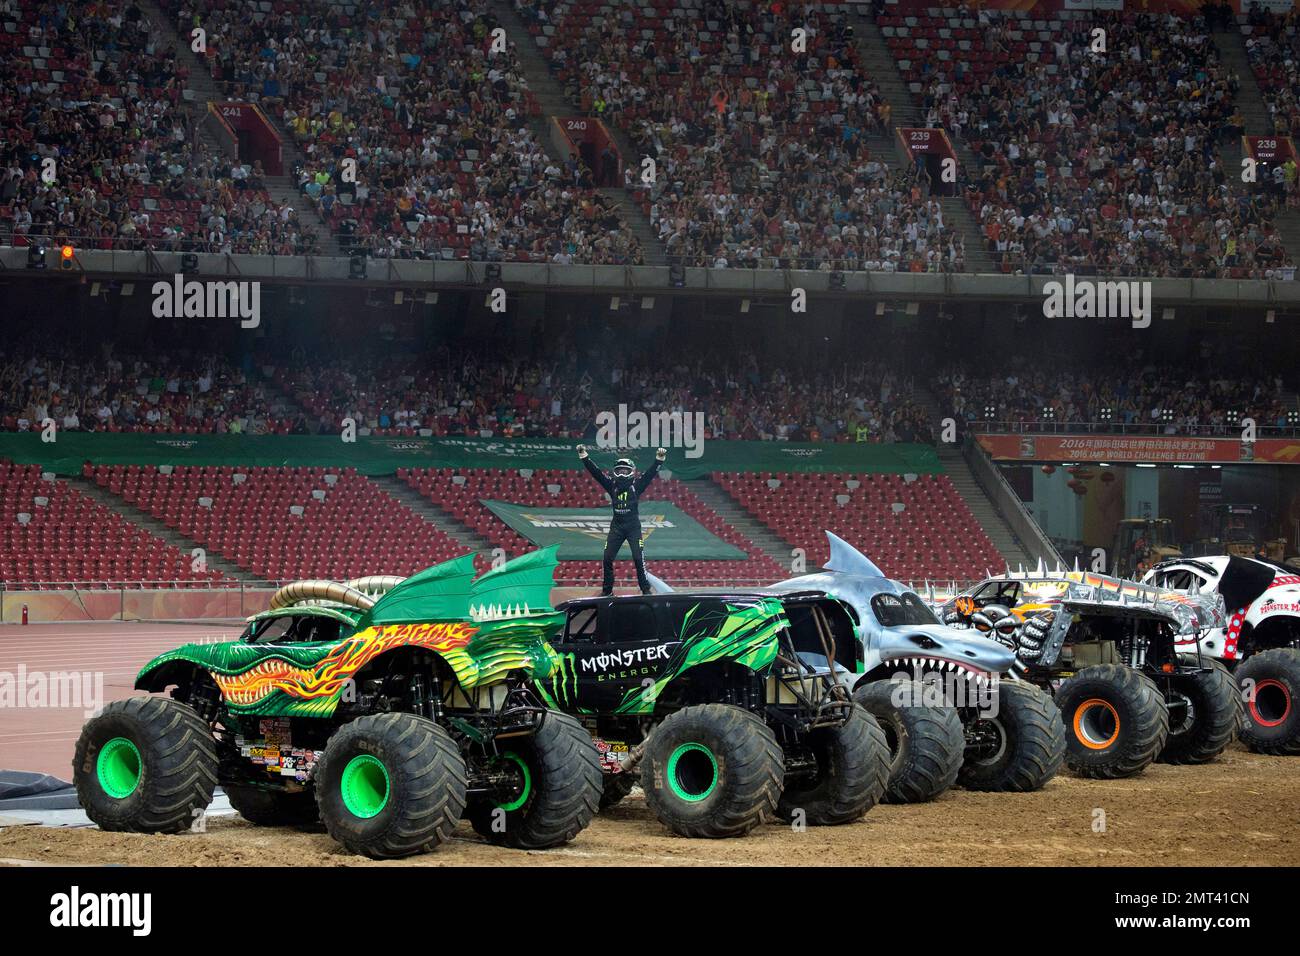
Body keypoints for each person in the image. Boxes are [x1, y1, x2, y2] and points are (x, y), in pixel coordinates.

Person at [578, 445, 666, 595]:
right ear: (615, 472)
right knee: (607, 559)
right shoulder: (611, 485)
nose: (622, 474)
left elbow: (650, 474)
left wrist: (659, 460)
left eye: (626, 471)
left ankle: (646, 591)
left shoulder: (636, 486)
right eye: (620, 471)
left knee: (638, 559)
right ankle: (607, 592)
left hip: (633, 528)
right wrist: (584, 456)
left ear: (632, 472)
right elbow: (596, 473)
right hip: (617, 528)